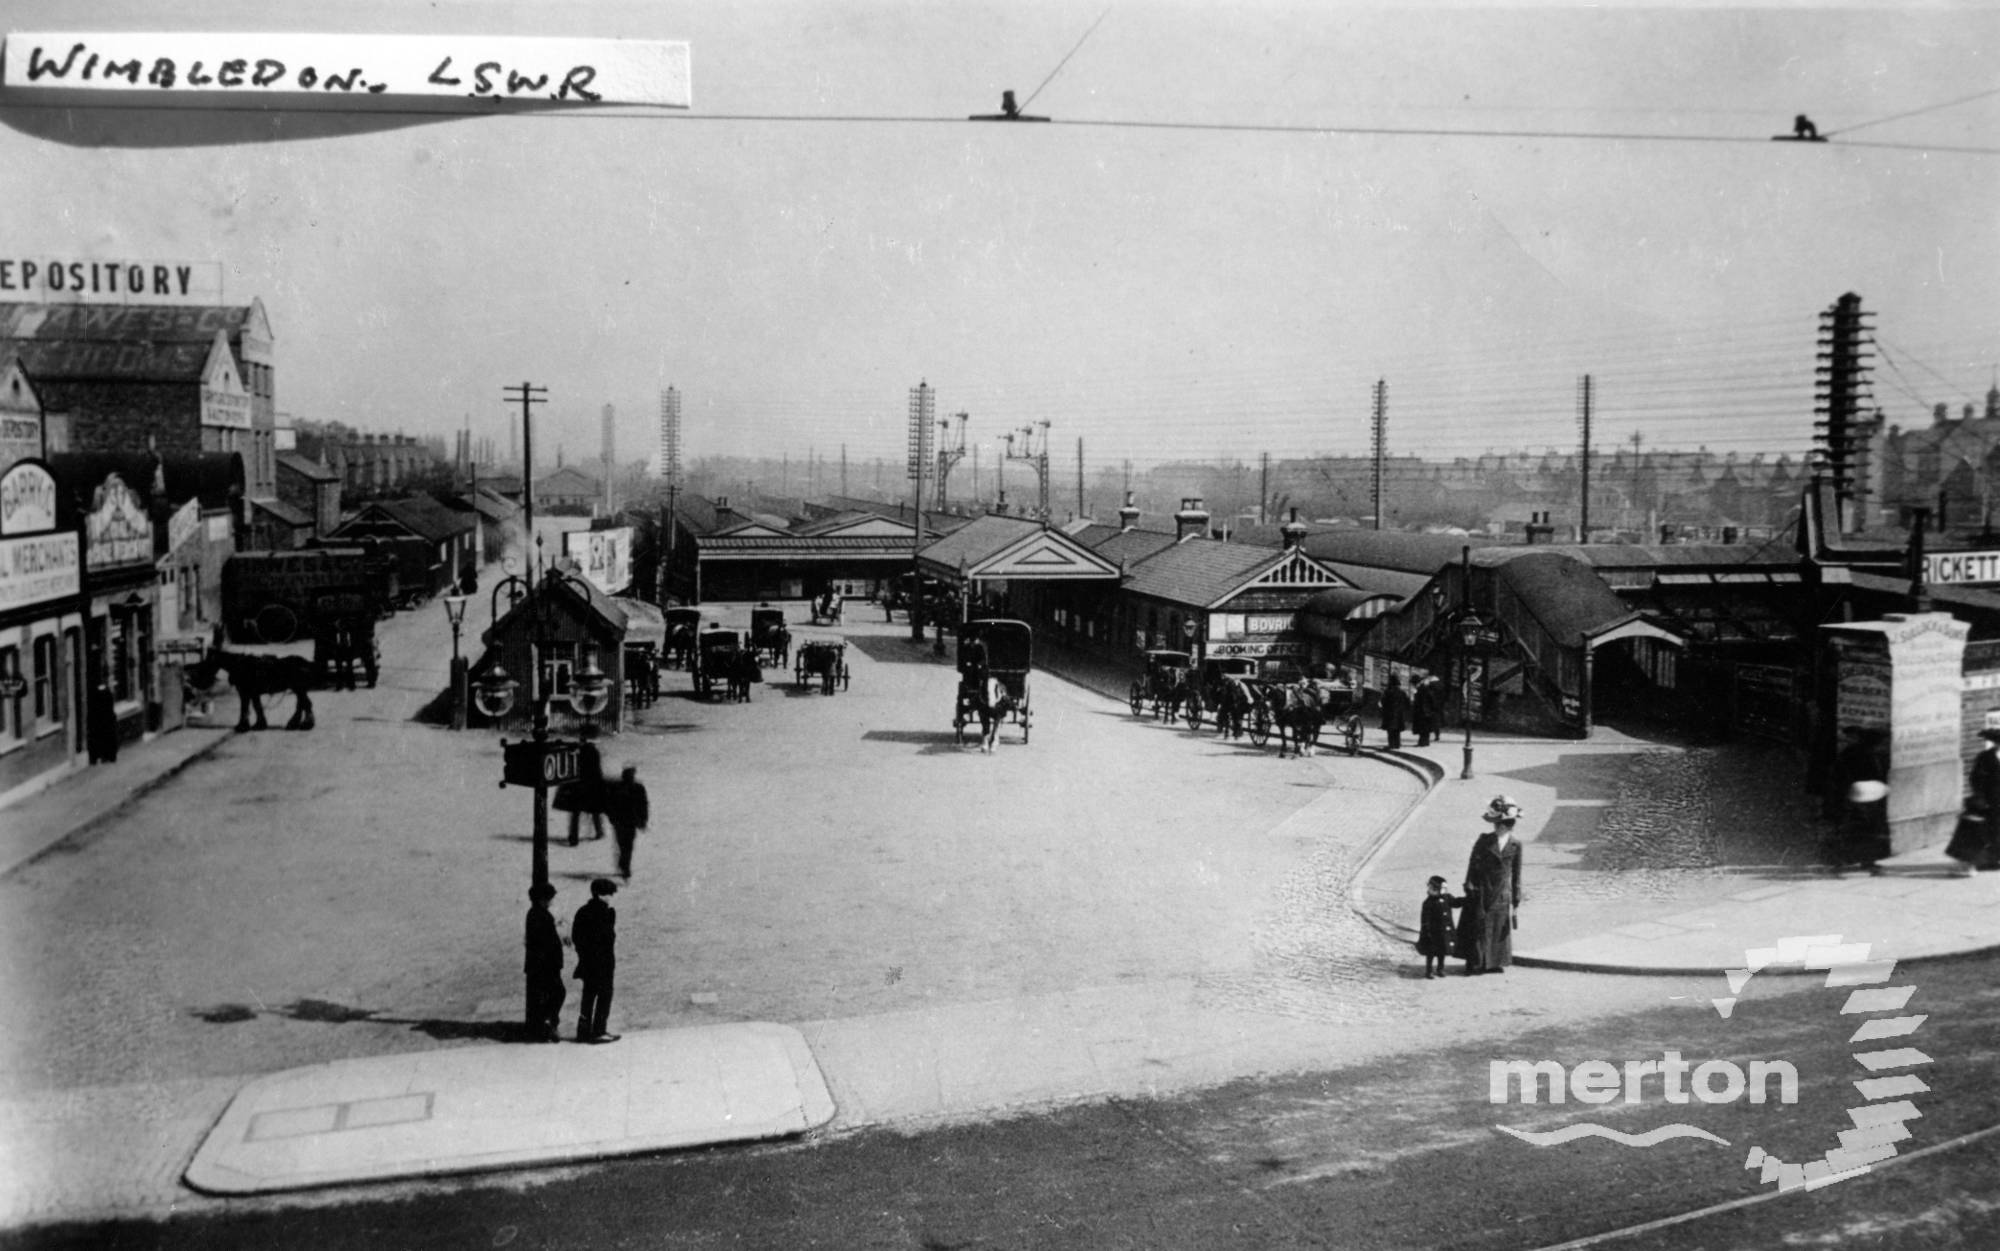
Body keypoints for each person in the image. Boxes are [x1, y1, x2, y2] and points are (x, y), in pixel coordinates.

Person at [1459, 795, 1525, 974]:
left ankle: (1494, 963)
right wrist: (1469, 883)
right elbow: (1473, 863)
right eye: (1496, 825)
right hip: (1482, 888)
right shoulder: (1484, 840)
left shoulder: (1516, 845)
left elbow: (1516, 874)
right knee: (1479, 926)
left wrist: (1516, 898)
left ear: (1507, 825)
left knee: (1497, 927)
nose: (1498, 828)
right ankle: (1475, 963)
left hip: (1501, 892)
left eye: (1501, 825)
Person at [1828, 727, 1891, 875]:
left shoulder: (1854, 753)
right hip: (1858, 798)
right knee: (1859, 832)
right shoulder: (1866, 755)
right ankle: (1846, 864)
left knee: (1861, 832)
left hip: (1862, 798)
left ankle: (1859, 862)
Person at [1948, 723, 2000, 876]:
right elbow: (1976, 778)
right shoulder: (1985, 757)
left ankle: (1995, 858)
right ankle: (1989, 859)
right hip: (1991, 800)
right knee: (1990, 831)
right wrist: (1981, 796)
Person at [572, 878, 620, 1043]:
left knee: (588, 996)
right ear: (600, 894)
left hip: (587, 962)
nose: (610, 897)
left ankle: (583, 1031)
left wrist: (583, 957)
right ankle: (599, 1030)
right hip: (603, 963)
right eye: (609, 894)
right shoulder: (606, 913)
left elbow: (577, 938)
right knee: (604, 996)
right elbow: (607, 939)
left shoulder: (582, 911)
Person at [523, 882, 566, 1043]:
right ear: (542, 899)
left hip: (542, 964)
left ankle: (547, 1025)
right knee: (557, 993)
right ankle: (548, 1025)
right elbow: (544, 942)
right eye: (549, 898)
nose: (551, 901)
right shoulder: (539, 915)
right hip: (545, 965)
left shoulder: (536, 913)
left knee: (551, 994)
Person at [558, 725, 607, 846]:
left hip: (578, 784)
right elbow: (597, 770)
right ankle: (599, 832)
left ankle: (573, 838)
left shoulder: (580, 751)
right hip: (591, 784)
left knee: (576, 812)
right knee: (595, 810)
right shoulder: (593, 751)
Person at [607, 765, 650, 880]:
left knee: (625, 845)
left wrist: (643, 820)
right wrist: (643, 820)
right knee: (625, 845)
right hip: (624, 821)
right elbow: (644, 805)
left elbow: (643, 805)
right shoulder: (634, 788)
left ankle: (625, 866)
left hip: (626, 821)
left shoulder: (633, 788)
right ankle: (624, 865)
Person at [1417, 875, 1458, 980]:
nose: (1429, 890)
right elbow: (1425, 919)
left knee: (1442, 952)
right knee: (1430, 953)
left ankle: (1440, 969)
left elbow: (1456, 902)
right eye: (1429, 888)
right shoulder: (1428, 903)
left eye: (1432, 889)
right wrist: (1426, 931)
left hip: (1444, 932)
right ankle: (1429, 971)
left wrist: (1468, 898)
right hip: (1433, 933)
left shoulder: (1447, 898)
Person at [86, 679, 119, 764]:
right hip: (106, 720)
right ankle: (108, 756)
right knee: (107, 738)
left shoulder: (95, 694)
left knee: (101, 738)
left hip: (100, 721)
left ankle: (102, 756)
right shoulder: (108, 693)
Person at [1379, 673, 1411, 750]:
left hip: (1390, 713)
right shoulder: (1402, 692)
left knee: (1390, 730)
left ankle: (1391, 744)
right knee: (1397, 730)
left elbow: (1383, 702)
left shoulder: (1388, 692)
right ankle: (1397, 744)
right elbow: (1407, 702)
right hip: (1399, 714)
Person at [1412, 675, 1443, 748]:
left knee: (1424, 729)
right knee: (1423, 728)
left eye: (1414, 684)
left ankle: (1424, 743)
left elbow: (1430, 699)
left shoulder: (1423, 688)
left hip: (1424, 712)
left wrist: (1429, 709)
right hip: (1425, 712)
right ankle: (1422, 742)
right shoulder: (1423, 688)